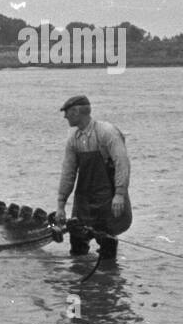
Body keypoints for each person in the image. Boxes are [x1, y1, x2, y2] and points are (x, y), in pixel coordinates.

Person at [54, 95, 131, 260]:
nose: (65, 116)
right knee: (77, 243)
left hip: (107, 197)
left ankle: (108, 276)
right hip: (83, 199)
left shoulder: (107, 132)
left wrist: (119, 194)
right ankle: (81, 274)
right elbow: (68, 172)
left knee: (108, 243)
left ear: (76, 112)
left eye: (67, 112)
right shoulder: (73, 139)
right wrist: (61, 204)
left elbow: (122, 163)